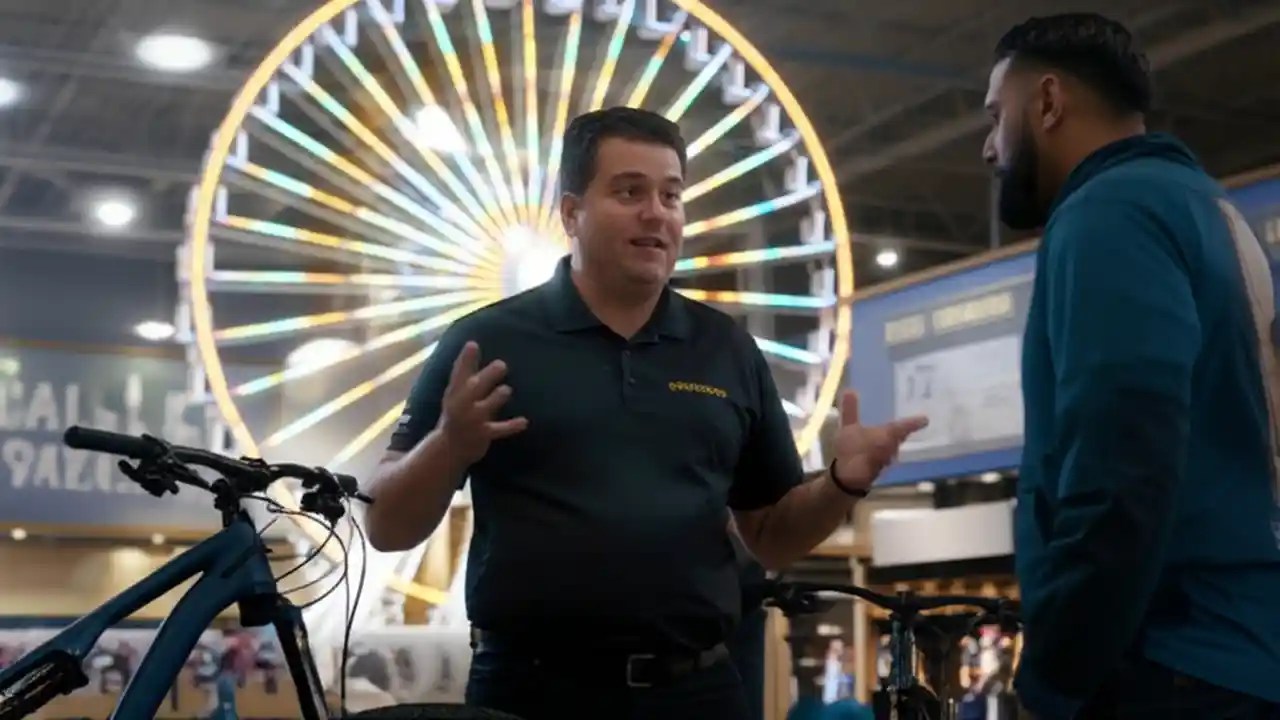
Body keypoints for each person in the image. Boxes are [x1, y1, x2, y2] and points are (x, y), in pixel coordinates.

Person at [364, 106, 928, 720]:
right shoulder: (487, 343)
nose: (656, 213)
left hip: (697, 692)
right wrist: (448, 444)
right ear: (571, 214)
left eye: (671, 195)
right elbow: (386, 526)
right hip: (530, 691)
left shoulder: (727, 349)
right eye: (629, 192)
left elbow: (771, 538)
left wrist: (842, 483)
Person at [982, 13, 1280, 719]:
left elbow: (1122, 462)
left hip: (1171, 662)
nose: (988, 147)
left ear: (1048, 102)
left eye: (996, 116)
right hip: (1239, 648)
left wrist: (1055, 673)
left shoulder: (1111, 210)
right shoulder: (1209, 209)